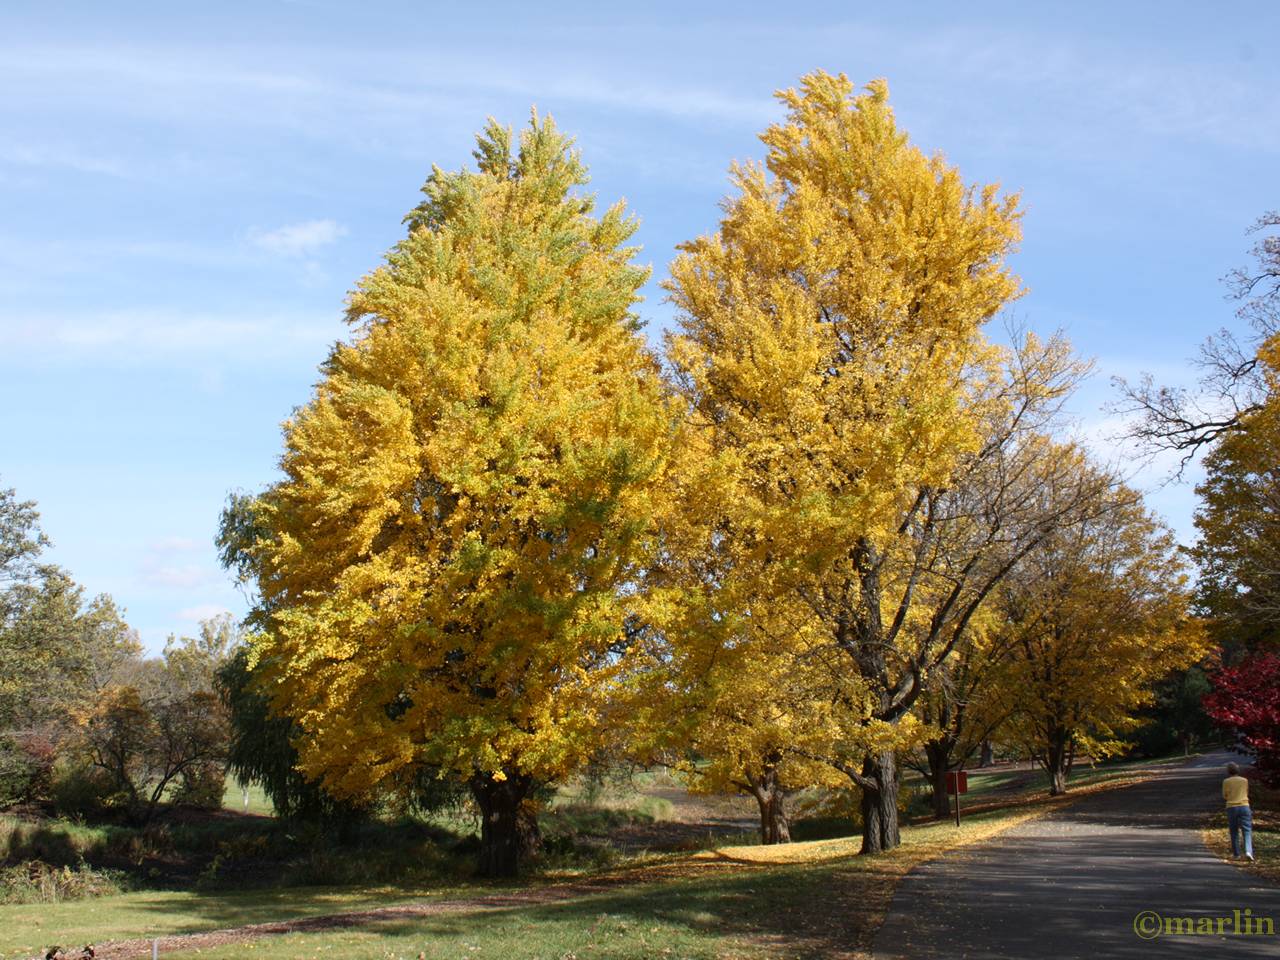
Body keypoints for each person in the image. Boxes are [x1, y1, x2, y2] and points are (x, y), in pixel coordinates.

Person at [1223, 762, 1254, 861]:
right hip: (1244, 806)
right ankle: (1248, 851)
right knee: (1247, 830)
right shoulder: (1244, 780)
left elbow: (1224, 795)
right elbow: (1247, 792)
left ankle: (1236, 854)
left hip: (1232, 807)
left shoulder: (1226, 781)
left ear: (1228, 771)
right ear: (1238, 770)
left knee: (1234, 831)